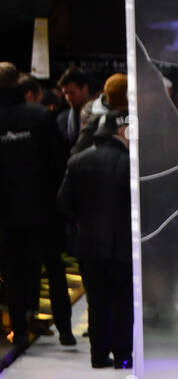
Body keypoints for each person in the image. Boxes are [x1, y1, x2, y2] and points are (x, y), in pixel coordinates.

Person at [0, 63, 74, 348]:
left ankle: (18, 330)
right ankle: (65, 331)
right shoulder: (40, 116)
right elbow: (58, 164)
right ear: (18, 82)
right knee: (54, 271)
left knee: (15, 273)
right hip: (44, 211)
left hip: (8, 215)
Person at [56, 110, 133, 369]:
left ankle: (98, 355)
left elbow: (63, 202)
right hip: (122, 244)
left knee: (97, 302)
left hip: (88, 244)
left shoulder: (78, 161)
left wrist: (82, 220)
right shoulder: (130, 163)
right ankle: (122, 355)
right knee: (123, 302)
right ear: (122, 131)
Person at [56, 66, 92, 148]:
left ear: (85, 89)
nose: (68, 97)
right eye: (65, 93)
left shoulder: (100, 115)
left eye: (72, 93)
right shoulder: (62, 119)